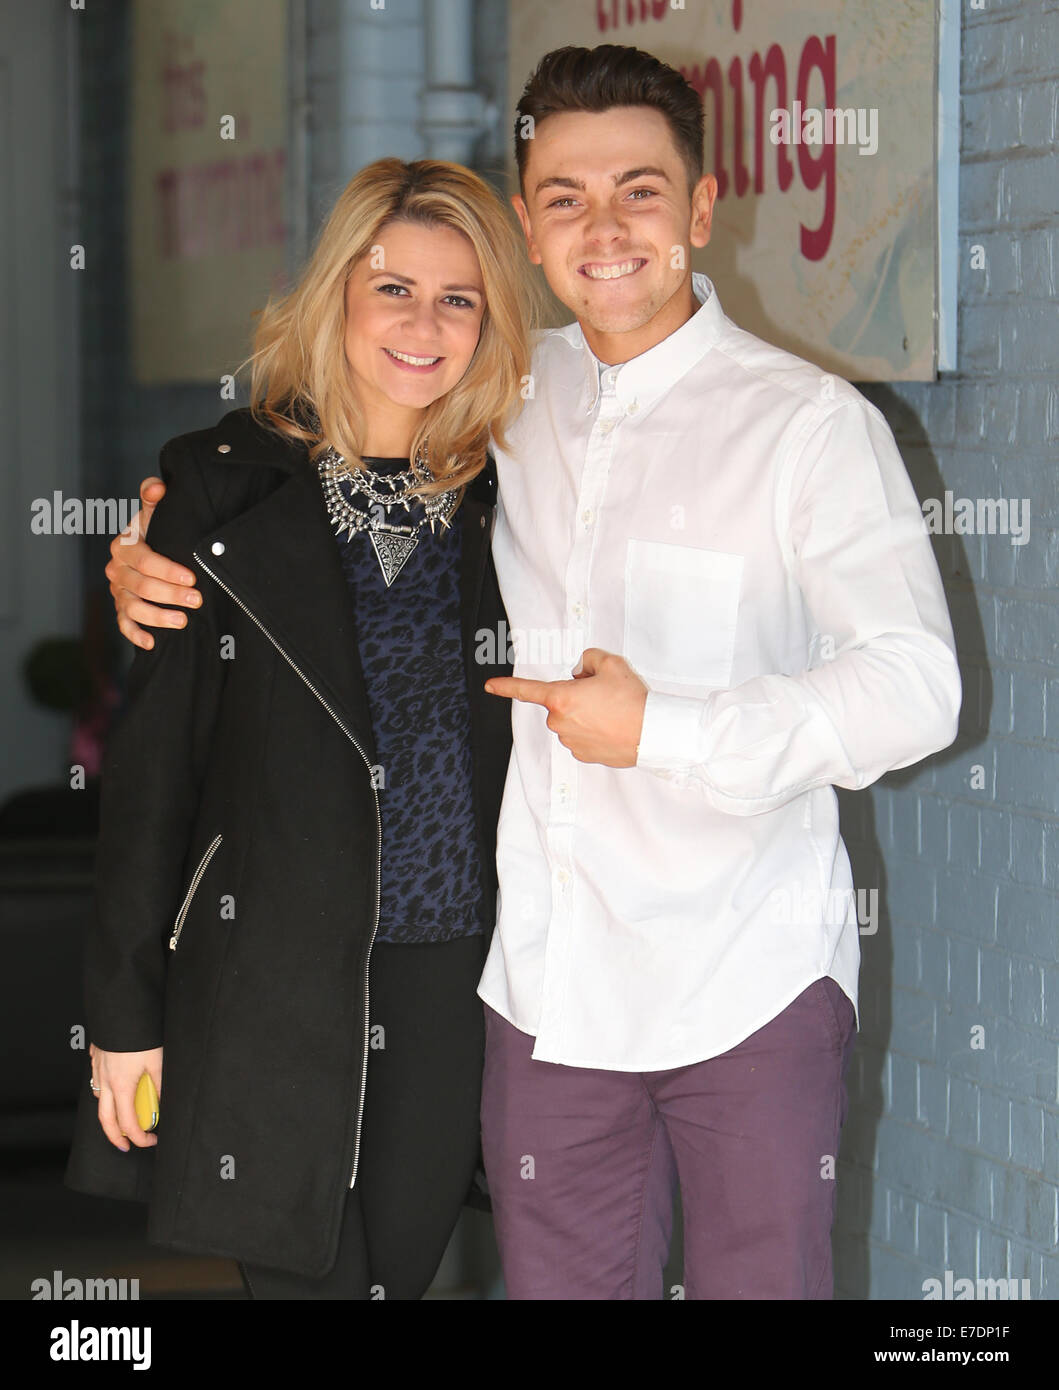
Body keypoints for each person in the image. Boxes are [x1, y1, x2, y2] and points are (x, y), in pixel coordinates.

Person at [103, 44, 962, 1300]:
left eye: (641, 192)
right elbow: (322, 461)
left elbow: (916, 687)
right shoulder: (504, 396)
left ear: (703, 209)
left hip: (747, 981)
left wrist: (665, 729)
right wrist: (161, 541)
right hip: (542, 995)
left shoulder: (810, 426)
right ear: (528, 223)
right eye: (566, 197)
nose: (604, 229)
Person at [64, 156, 537, 1300]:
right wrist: (122, 1016)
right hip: (269, 975)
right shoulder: (221, 489)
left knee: (396, 1278)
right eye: (392, 288)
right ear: (336, 296)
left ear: (492, 320)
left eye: (459, 297)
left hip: (449, 979)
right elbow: (151, 779)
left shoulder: (521, 495)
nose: (424, 324)